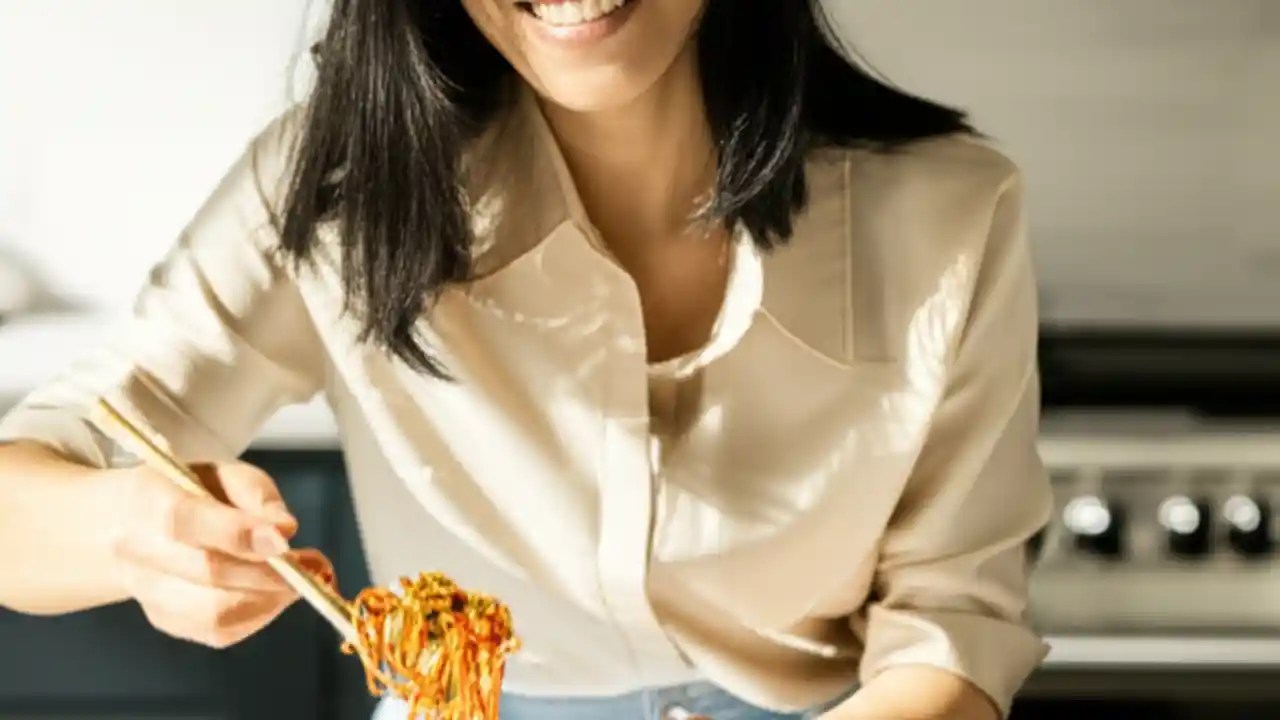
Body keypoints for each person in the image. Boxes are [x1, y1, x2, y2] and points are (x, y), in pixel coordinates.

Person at [0, 0, 1053, 718]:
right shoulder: (337, 188)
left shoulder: (950, 210)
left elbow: (951, 629)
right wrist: (134, 532)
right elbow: (29, 493)